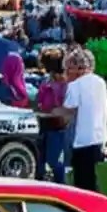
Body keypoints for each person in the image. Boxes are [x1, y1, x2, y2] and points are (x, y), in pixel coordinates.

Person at [52, 49, 107, 192]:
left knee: (83, 185)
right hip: (100, 136)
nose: (66, 73)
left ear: (78, 68)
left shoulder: (75, 85)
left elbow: (67, 112)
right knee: (91, 180)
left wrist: (50, 112)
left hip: (82, 141)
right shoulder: (100, 82)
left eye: (68, 69)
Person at [34, 48, 70, 183]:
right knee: (40, 159)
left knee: (54, 160)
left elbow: (61, 106)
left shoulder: (63, 85)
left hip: (57, 126)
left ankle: (62, 185)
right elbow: (40, 100)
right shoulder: (46, 82)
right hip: (44, 123)